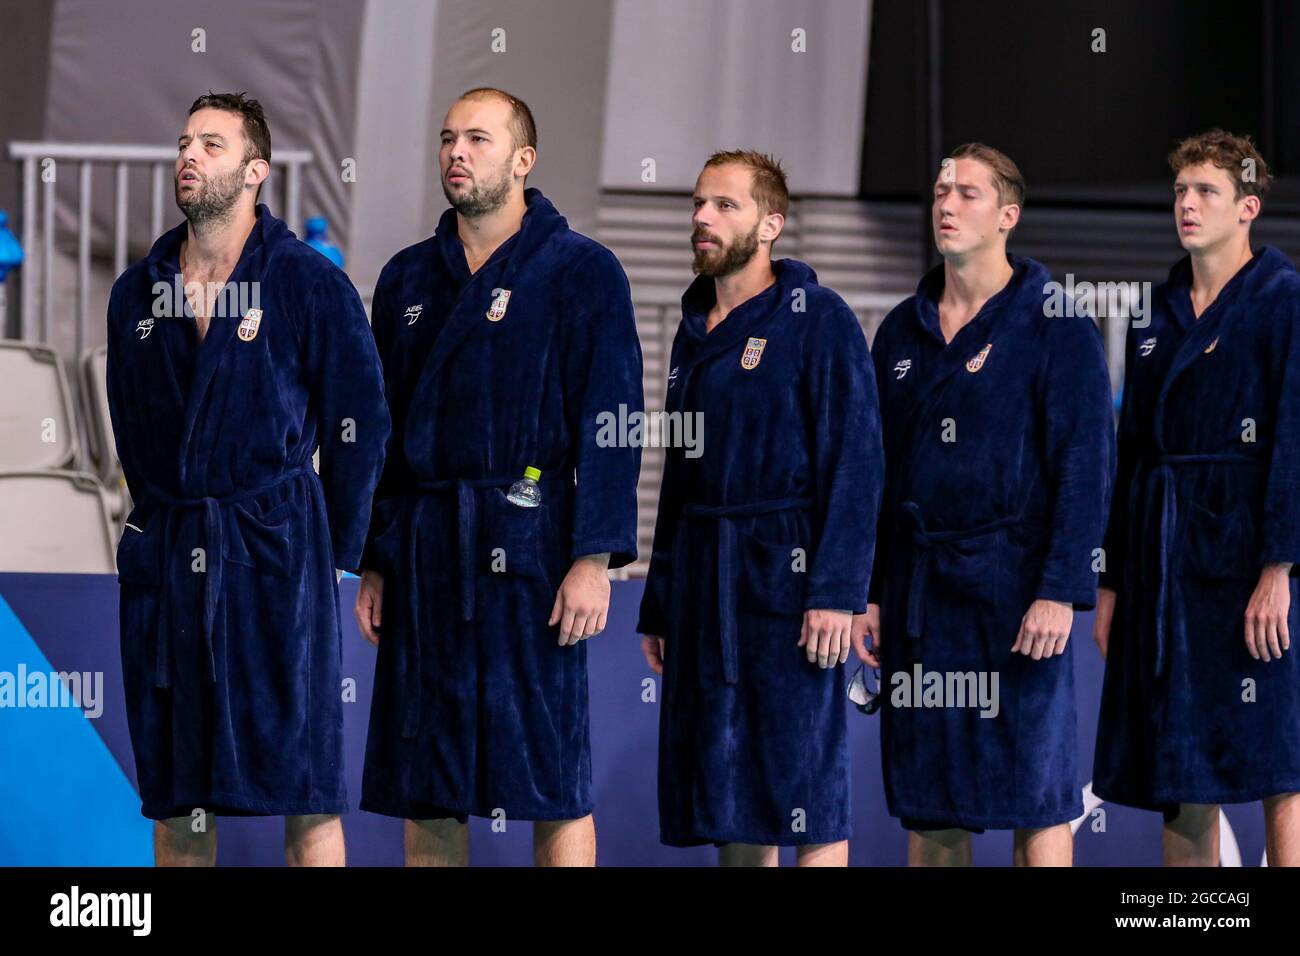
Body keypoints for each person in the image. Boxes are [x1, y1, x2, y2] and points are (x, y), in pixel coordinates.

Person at [357, 88, 643, 867]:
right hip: (426, 550)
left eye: (478, 139)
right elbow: (380, 432)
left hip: (532, 543)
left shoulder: (583, 271)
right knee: (430, 777)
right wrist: (379, 556)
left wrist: (594, 559)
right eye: (449, 138)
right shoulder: (409, 278)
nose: (456, 152)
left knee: (550, 774)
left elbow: (611, 425)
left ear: (523, 160)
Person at [107, 92, 390, 865]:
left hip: (273, 557)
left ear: (256, 171)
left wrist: (331, 551)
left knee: (304, 789)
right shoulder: (138, 291)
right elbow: (131, 425)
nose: (189, 156)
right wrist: (156, 526)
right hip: (171, 558)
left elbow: (361, 426)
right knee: (178, 795)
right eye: (183, 143)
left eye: (212, 144)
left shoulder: (307, 284)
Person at [860, 143, 1114, 866]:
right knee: (928, 798)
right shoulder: (900, 332)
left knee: (1036, 794)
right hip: (919, 594)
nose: (946, 205)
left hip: (1013, 593)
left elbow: (1086, 465)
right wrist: (872, 591)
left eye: (967, 193)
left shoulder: (1056, 320)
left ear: (1008, 214)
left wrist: (1062, 590)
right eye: (941, 191)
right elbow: (878, 475)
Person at [638, 150, 883, 866]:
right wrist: (659, 602)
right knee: (729, 798)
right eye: (698, 204)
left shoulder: (820, 319)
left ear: (771, 223)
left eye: (725, 206)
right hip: (702, 584)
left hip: (788, 580)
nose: (703, 219)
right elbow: (679, 482)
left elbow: (857, 465)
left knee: (803, 793)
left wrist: (838, 591)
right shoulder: (691, 334)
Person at [1093, 130, 1300, 866]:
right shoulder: (1157, 309)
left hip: (1245, 560)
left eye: (1206, 191)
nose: (1186, 204)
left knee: (1279, 758)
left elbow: (1295, 443)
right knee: (1178, 764)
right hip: (1161, 560)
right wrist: (1114, 581)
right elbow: (1131, 452)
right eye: (1180, 190)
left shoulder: (1284, 300)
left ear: (1247, 206)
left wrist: (1279, 569)